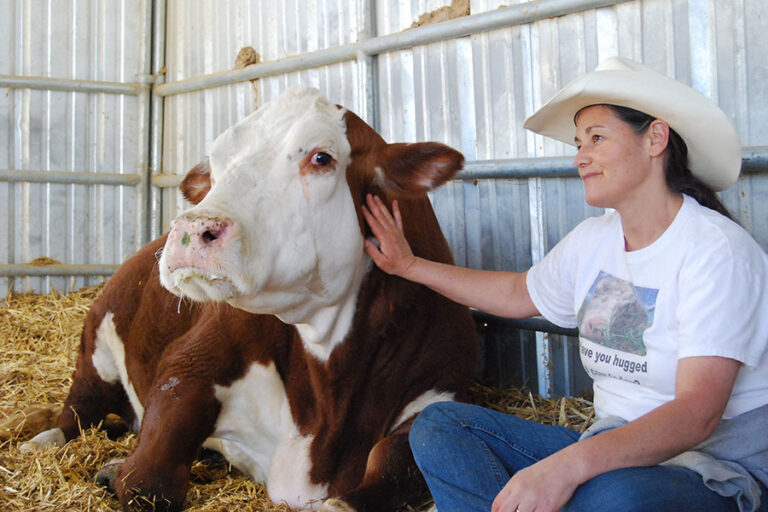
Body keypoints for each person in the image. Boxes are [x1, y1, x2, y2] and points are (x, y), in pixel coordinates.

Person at [361, 57, 768, 512]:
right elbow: (517, 294)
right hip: (612, 448)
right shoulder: (593, 240)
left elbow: (698, 413)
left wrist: (569, 466)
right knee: (439, 427)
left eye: (597, 138)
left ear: (655, 139)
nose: (579, 156)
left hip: (710, 468)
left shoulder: (716, 251)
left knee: (614, 498)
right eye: (578, 143)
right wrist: (410, 265)